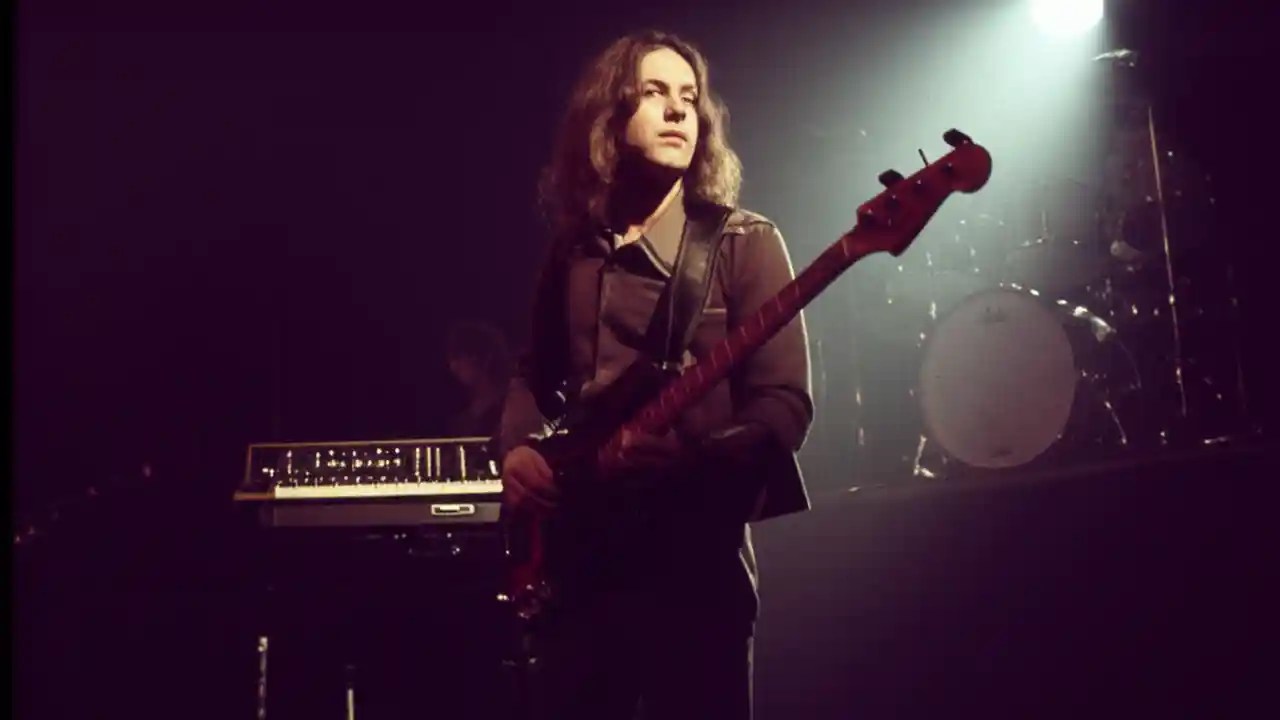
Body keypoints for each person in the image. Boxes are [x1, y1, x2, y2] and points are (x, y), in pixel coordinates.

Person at [498, 30, 814, 720]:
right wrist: (518, 449)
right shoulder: (573, 253)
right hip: (580, 564)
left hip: (694, 563)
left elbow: (784, 405)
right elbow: (535, 376)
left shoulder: (744, 243)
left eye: (690, 98)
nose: (678, 111)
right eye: (654, 93)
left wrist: (696, 455)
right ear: (609, 119)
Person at [445, 320, 512, 438]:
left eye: (459, 356)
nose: (453, 365)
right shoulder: (462, 421)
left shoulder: (511, 410)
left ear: (484, 357)